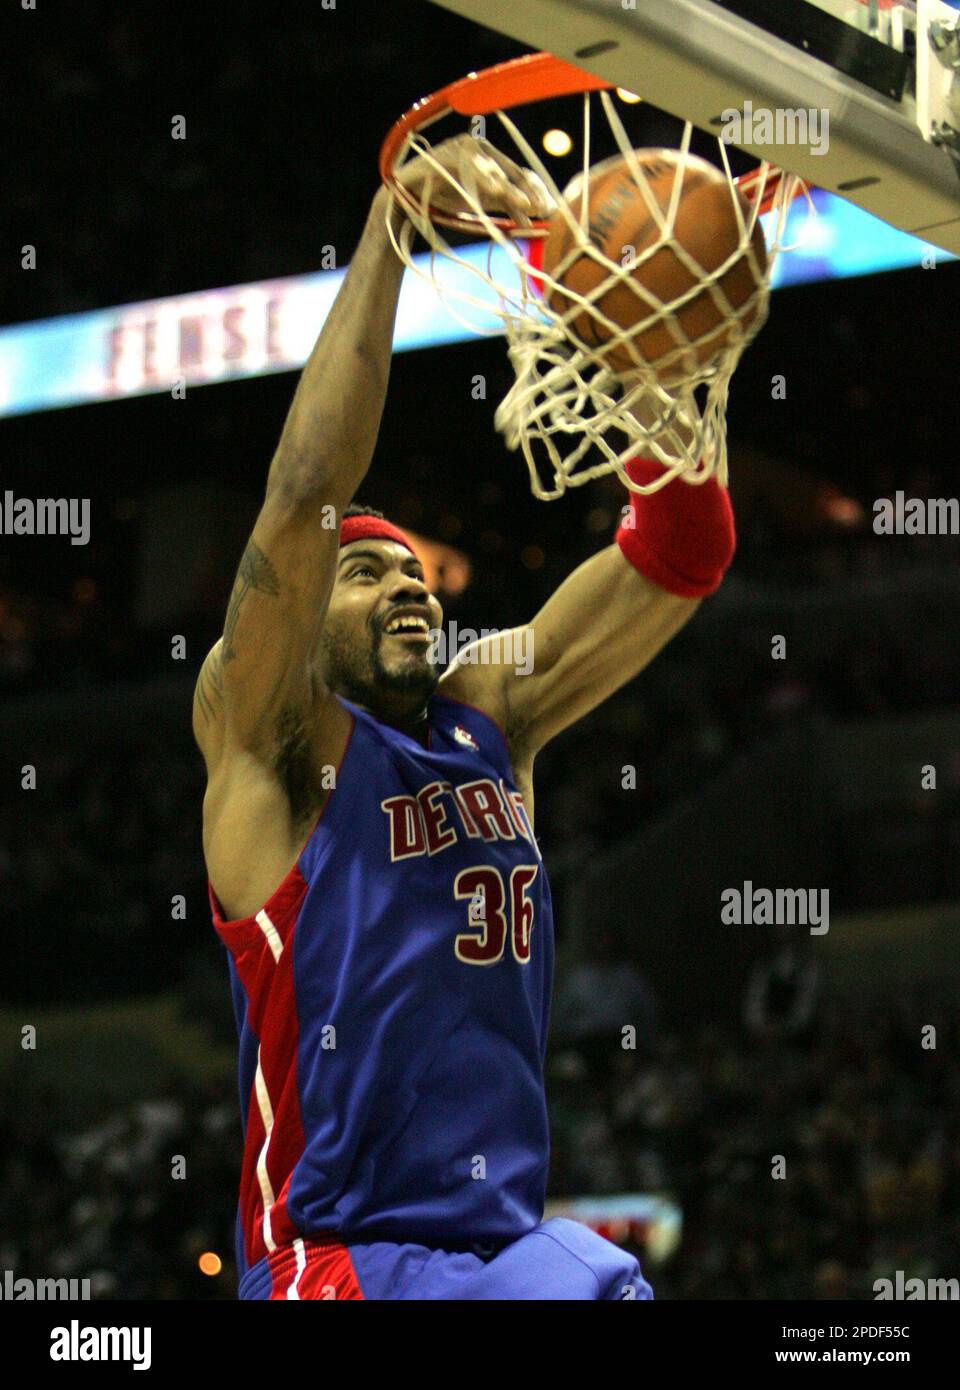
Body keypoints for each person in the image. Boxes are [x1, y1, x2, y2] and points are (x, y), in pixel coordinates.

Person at [192, 136, 736, 1300]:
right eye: (364, 574)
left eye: (415, 575)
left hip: (501, 1243)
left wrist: (640, 364)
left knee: (612, 1285)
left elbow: (684, 554)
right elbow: (304, 492)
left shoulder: (494, 712)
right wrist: (392, 232)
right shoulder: (275, 743)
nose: (405, 587)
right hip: (334, 1255)